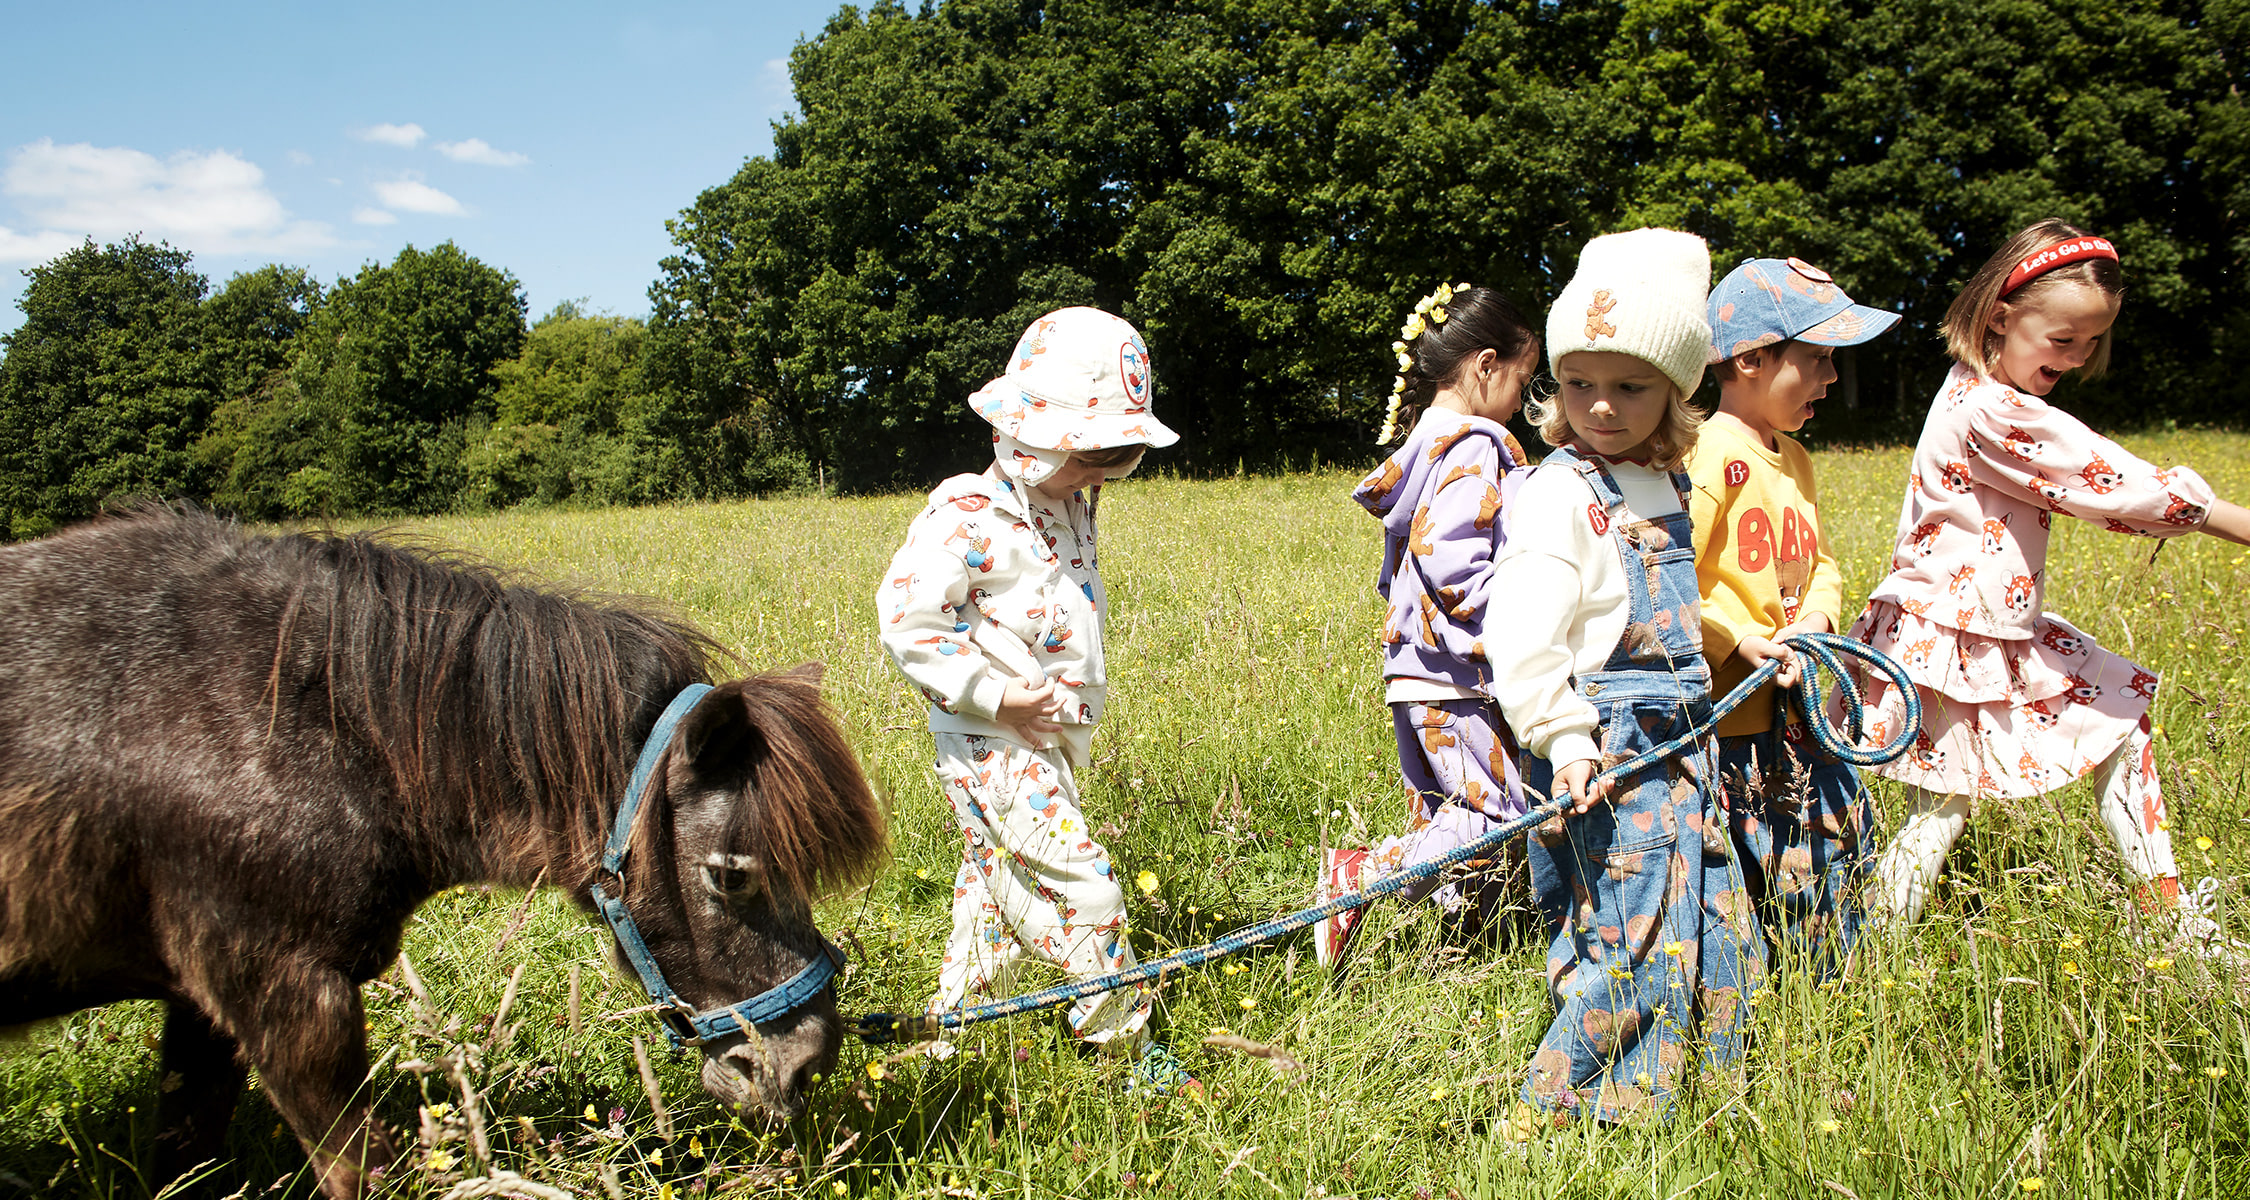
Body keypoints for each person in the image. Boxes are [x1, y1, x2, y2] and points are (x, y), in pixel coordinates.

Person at [1844, 220, 2250, 947]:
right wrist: (2234, 520)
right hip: (1957, 634)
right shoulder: (1992, 409)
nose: (2078, 357)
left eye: (2092, 342)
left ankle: (2166, 915)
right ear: (2000, 316)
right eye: (2062, 340)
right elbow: (2106, 479)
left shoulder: (1974, 386)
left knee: (2118, 723)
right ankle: (1863, 960)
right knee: (1942, 808)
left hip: (1983, 627)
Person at [875, 306, 1197, 1092]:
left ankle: (949, 1030)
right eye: (1088, 457)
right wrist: (994, 696)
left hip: (1048, 740)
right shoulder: (968, 513)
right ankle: (1123, 1049)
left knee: (992, 889)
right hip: (989, 739)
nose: (1098, 476)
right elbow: (906, 619)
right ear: (1030, 440)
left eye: (1113, 460)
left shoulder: (1065, 506)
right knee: (1084, 884)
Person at [1492, 228, 1756, 1125]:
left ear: (1678, 390)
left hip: (1686, 744)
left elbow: (1671, 613)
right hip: (1604, 747)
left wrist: (1736, 643)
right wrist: (1563, 741)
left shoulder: (1665, 483)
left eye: (1631, 387)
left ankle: (1698, 1096)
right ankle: (1556, 1116)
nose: (1601, 407)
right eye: (1579, 383)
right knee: (1628, 932)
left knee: (1715, 917)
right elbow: (1525, 634)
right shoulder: (1560, 492)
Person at [1315, 283, 1543, 966]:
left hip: (1415, 670)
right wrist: (1515, 616)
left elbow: (1401, 570)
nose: (1522, 401)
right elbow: (1449, 556)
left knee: (1449, 816)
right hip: (1459, 672)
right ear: (1484, 365)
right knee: (1494, 817)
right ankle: (1361, 873)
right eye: (1522, 380)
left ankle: (1464, 948)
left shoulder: (1424, 447)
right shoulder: (1478, 446)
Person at [1687, 257, 1901, 980]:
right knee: (1744, 856)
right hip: (1734, 715)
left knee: (1829, 843)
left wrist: (1813, 622)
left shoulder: (1797, 460)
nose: (1831, 379)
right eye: (1815, 360)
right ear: (1749, 359)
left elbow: (1824, 563)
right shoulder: (1709, 454)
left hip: (1799, 705)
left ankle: (1832, 979)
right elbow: (1670, 573)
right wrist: (1738, 639)